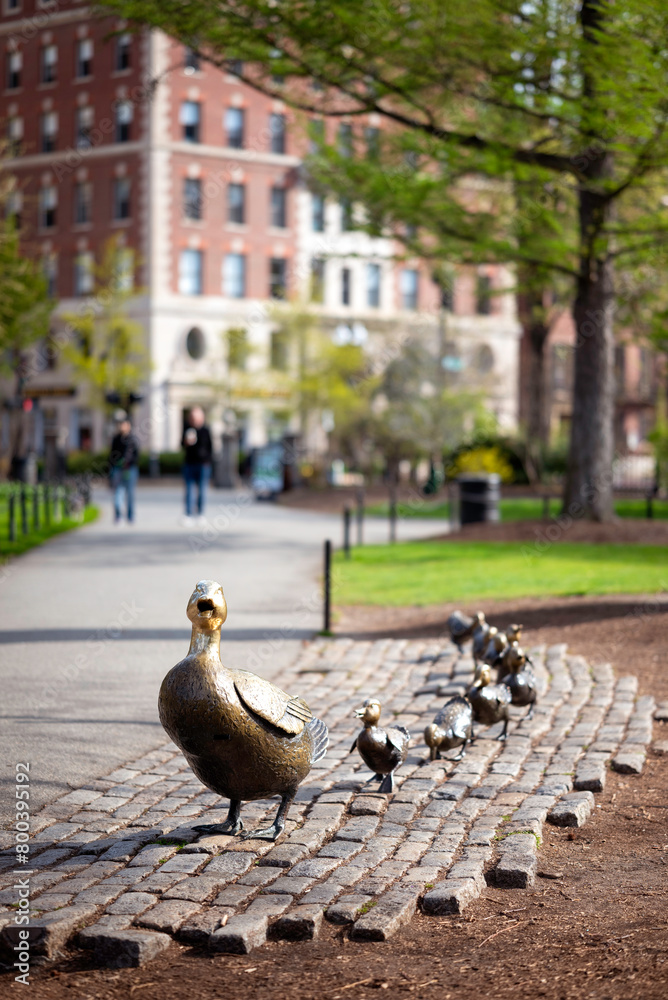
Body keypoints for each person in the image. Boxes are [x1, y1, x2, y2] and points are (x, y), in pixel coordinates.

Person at [182, 405, 212, 524]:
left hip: (203, 464)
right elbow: (181, 445)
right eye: (193, 417)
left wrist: (208, 461)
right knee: (189, 490)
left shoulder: (205, 430)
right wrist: (186, 442)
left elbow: (210, 448)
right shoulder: (187, 429)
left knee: (202, 490)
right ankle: (188, 514)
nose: (195, 420)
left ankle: (200, 513)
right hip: (190, 463)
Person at [109, 417, 139, 524]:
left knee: (130, 493)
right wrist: (114, 466)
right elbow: (112, 455)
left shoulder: (133, 439)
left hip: (130, 469)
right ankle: (118, 516)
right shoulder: (116, 439)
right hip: (118, 469)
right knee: (118, 492)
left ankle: (130, 516)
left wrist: (128, 463)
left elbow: (136, 455)